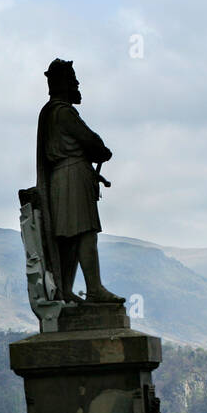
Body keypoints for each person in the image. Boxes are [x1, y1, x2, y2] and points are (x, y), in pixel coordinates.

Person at [35, 59, 124, 304]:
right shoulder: (63, 112)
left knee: (71, 237)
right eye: (73, 78)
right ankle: (94, 289)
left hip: (63, 178)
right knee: (85, 234)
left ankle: (66, 288)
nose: (77, 83)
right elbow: (90, 141)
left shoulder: (50, 112)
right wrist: (101, 150)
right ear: (63, 83)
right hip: (72, 176)